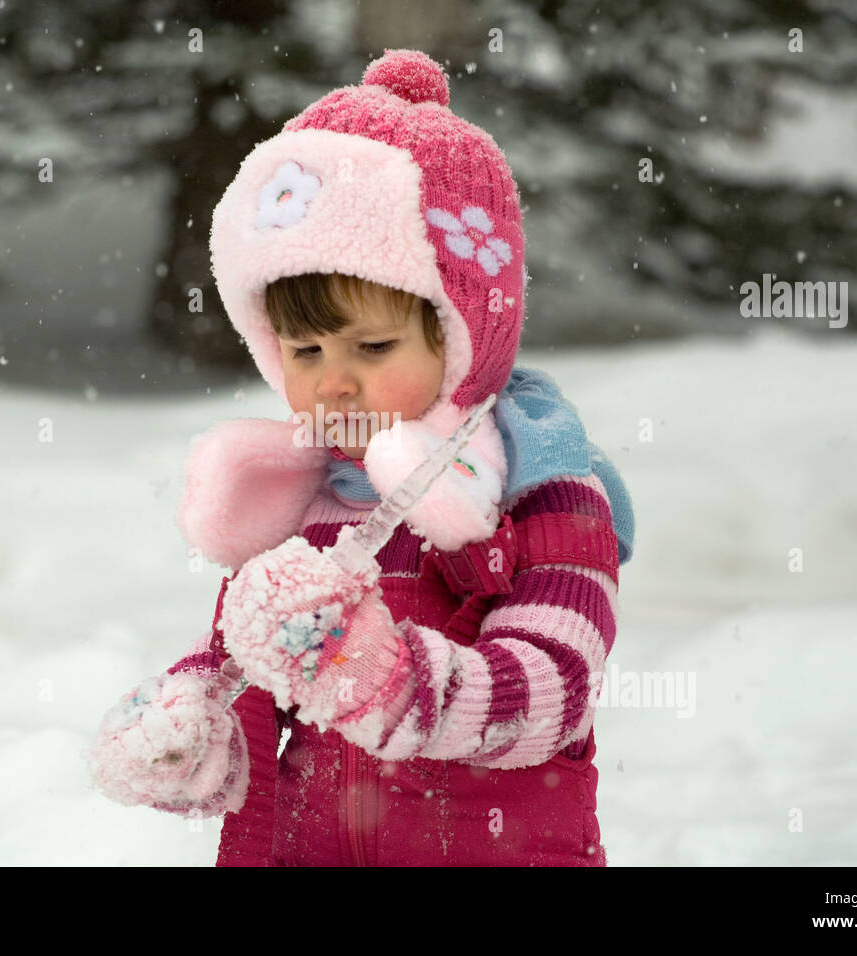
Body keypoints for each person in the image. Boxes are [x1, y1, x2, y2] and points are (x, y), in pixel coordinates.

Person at [86, 48, 635, 866]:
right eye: (303, 351)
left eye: (372, 345)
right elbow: (250, 675)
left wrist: (394, 682)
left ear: (462, 333)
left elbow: (553, 686)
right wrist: (193, 725)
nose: (334, 382)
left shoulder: (545, 490)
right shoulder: (301, 498)